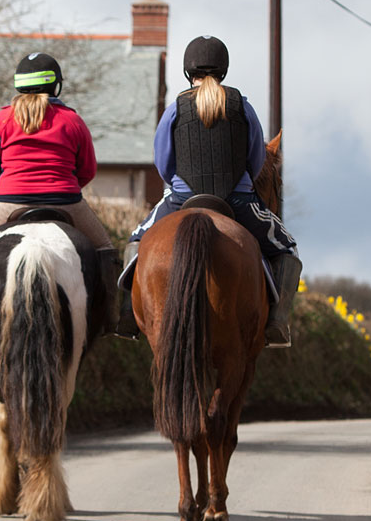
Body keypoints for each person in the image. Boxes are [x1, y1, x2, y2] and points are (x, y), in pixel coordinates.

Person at [115, 35, 302, 346]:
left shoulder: (176, 107)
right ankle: (277, 323)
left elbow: (162, 161)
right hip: (238, 200)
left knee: (136, 242)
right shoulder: (243, 105)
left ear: (189, 71)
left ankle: (126, 316)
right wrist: (240, 186)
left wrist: (178, 185)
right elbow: (256, 159)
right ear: (224, 70)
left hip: (180, 199)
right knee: (287, 248)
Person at [0, 53, 119, 339]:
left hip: (10, 201)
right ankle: (109, 318)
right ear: (56, 86)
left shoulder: (2, 119)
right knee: (106, 250)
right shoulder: (71, 120)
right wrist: (66, 185)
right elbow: (88, 169)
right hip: (65, 200)